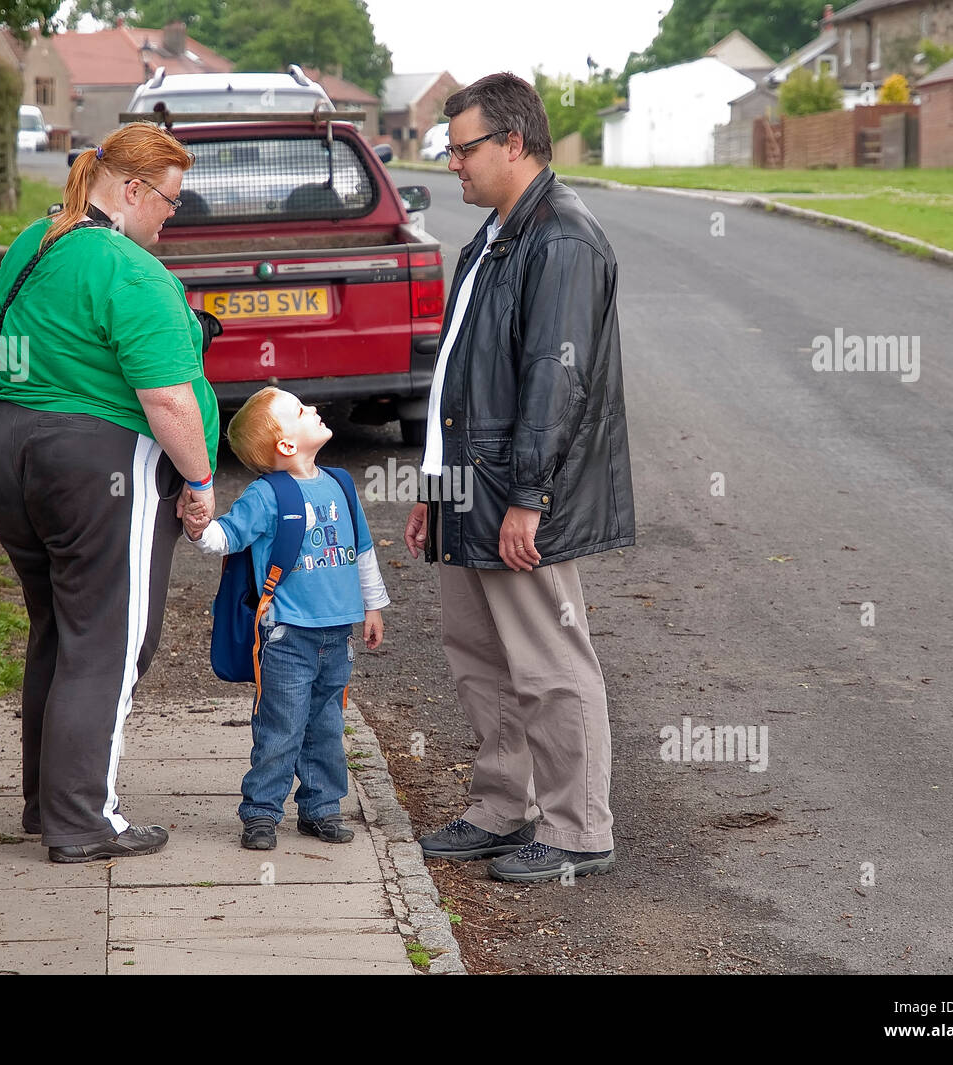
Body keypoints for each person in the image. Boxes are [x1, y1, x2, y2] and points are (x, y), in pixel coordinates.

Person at [402, 73, 635, 884]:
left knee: (549, 663)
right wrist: (437, 486)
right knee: (479, 656)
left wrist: (527, 496)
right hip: (471, 488)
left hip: (518, 493)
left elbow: (553, 382)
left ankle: (578, 828)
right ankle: (505, 806)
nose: (451, 165)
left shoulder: (561, 239)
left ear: (513, 142)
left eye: (462, 148)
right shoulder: (498, 234)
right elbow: (463, 376)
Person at [0, 123, 221, 863]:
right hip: (97, 467)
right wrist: (203, 482)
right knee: (110, 645)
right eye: (170, 202)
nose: (170, 218)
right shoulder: (132, 271)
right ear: (130, 190)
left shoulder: (34, 241)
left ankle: (46, 801)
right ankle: (85, 819)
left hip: (13, 451)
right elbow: (170, 402)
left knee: (60, 628)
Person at [183, 388, 388, 850]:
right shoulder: (267, 495)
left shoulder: (340, 483)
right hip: (285, 636)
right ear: (287, 447)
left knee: (327, 725)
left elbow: (362, 551)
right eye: (300, 410)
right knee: (280, 726)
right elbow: (228, 536)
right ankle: (260, 812)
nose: (314, 408)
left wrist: (371, 607)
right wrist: (199, 528)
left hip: (337, 634)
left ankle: (320, 809)